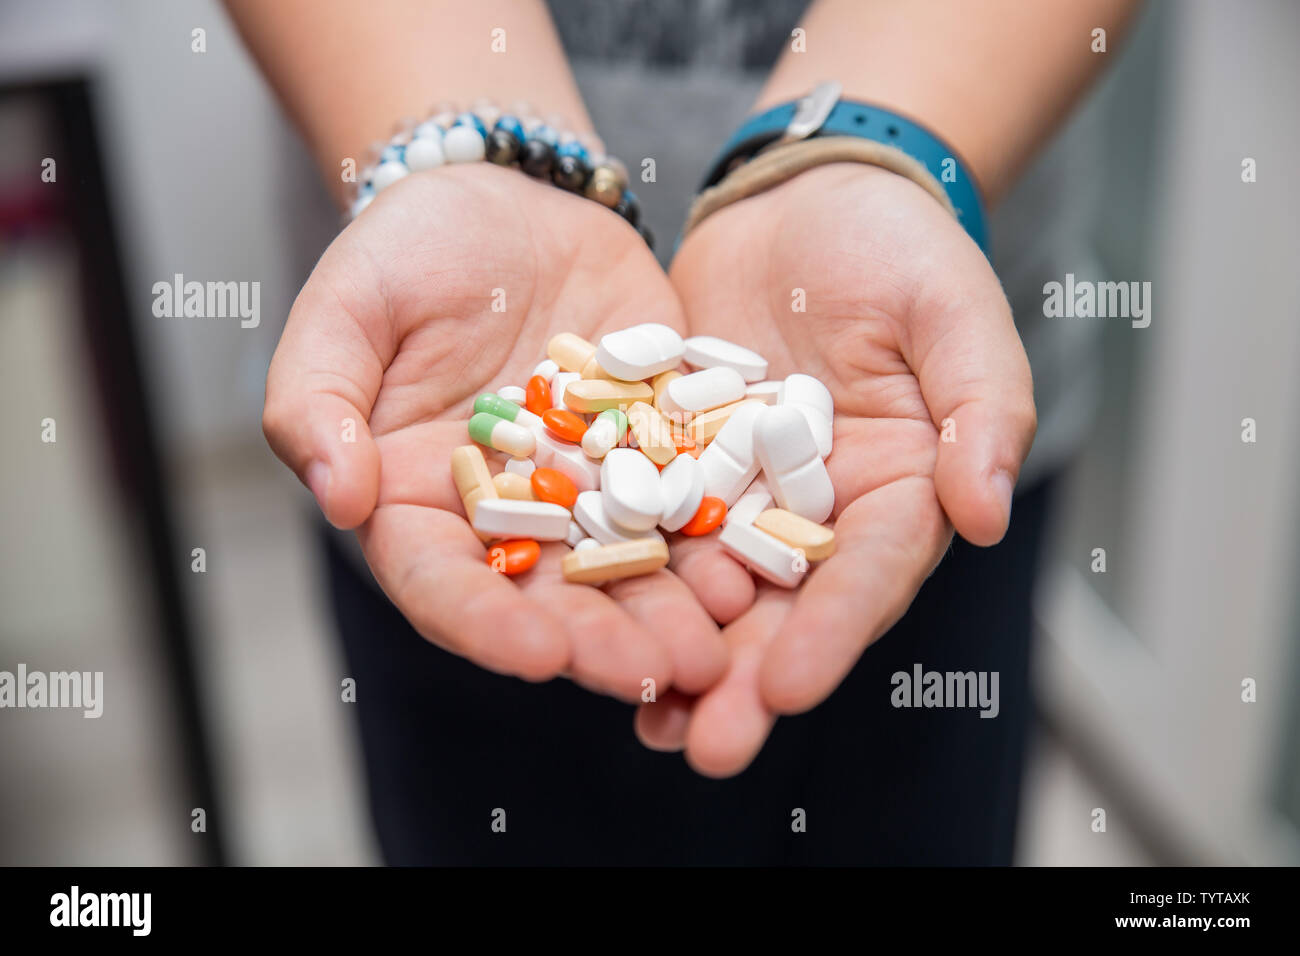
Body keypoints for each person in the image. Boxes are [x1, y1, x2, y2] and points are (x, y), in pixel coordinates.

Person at [224, 0, 1138, 864]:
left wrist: (866, 150)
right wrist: (456, 156)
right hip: (437, 402)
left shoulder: (791, 443)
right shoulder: (533, 447)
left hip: (896, 424)